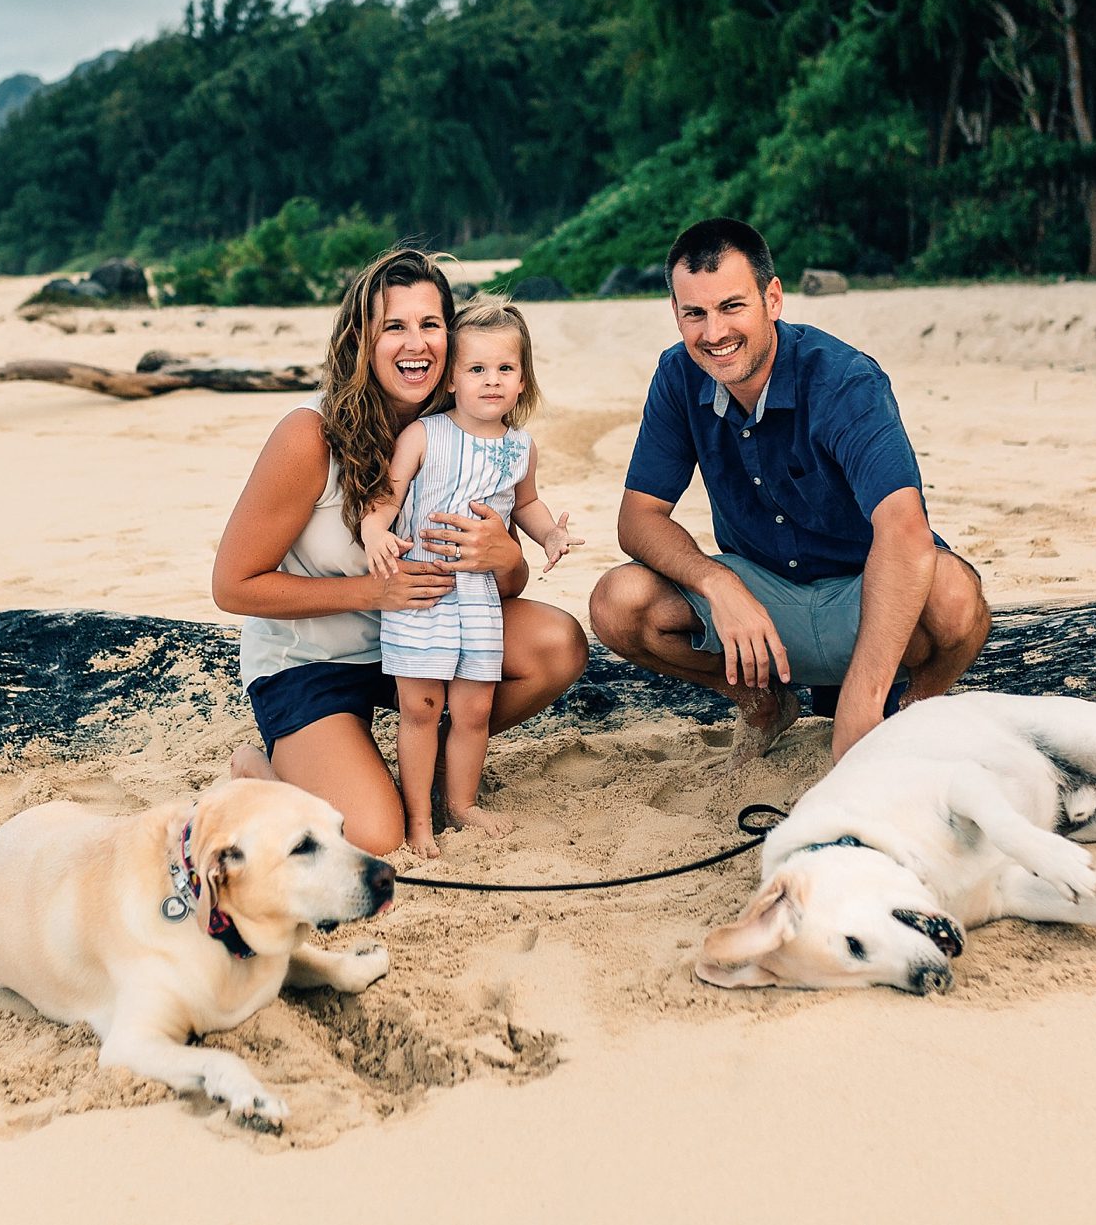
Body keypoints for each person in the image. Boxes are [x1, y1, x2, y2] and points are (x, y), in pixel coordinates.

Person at [213, 250, 587, 855]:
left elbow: (502, 586)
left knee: (557, 643)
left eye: (430, 324)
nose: (416, 343)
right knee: (371, 836)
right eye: (394, 326)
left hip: (423, 636)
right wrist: (374, 591)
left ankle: (434, 768)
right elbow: (233, 587)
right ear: (361, 338)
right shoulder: (309, 435)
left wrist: (506, 557)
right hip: (314, 659)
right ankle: (262, 773)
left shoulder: (464, 427)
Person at [589, 218, 989, 763]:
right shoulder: (678, 374)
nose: (714, 333)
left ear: (772, 299)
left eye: (732, 306)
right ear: (675, 313)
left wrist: (861, 703)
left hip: (864, 596)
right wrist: (719, 584)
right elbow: (638, 519)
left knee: (954, 593)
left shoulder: (844, 379)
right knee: (618, 602)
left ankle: (913, 711)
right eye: (695, 313)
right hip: (763, 597)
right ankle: (764, 706)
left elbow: (904, 528)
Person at [361, 297, 579, 856]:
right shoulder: (425, 434)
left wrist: (549, 535)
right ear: (452, 378)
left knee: (474, 710)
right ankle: (417, 819)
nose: (492, 380)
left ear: (523, 380)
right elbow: (388, 496)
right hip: (422, 593)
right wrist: (375, 531)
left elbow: (525, 504)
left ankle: (461, 803)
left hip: (480, 600)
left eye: (505, 368)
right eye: (477, 368)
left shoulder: (519, 447)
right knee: (420, 709)